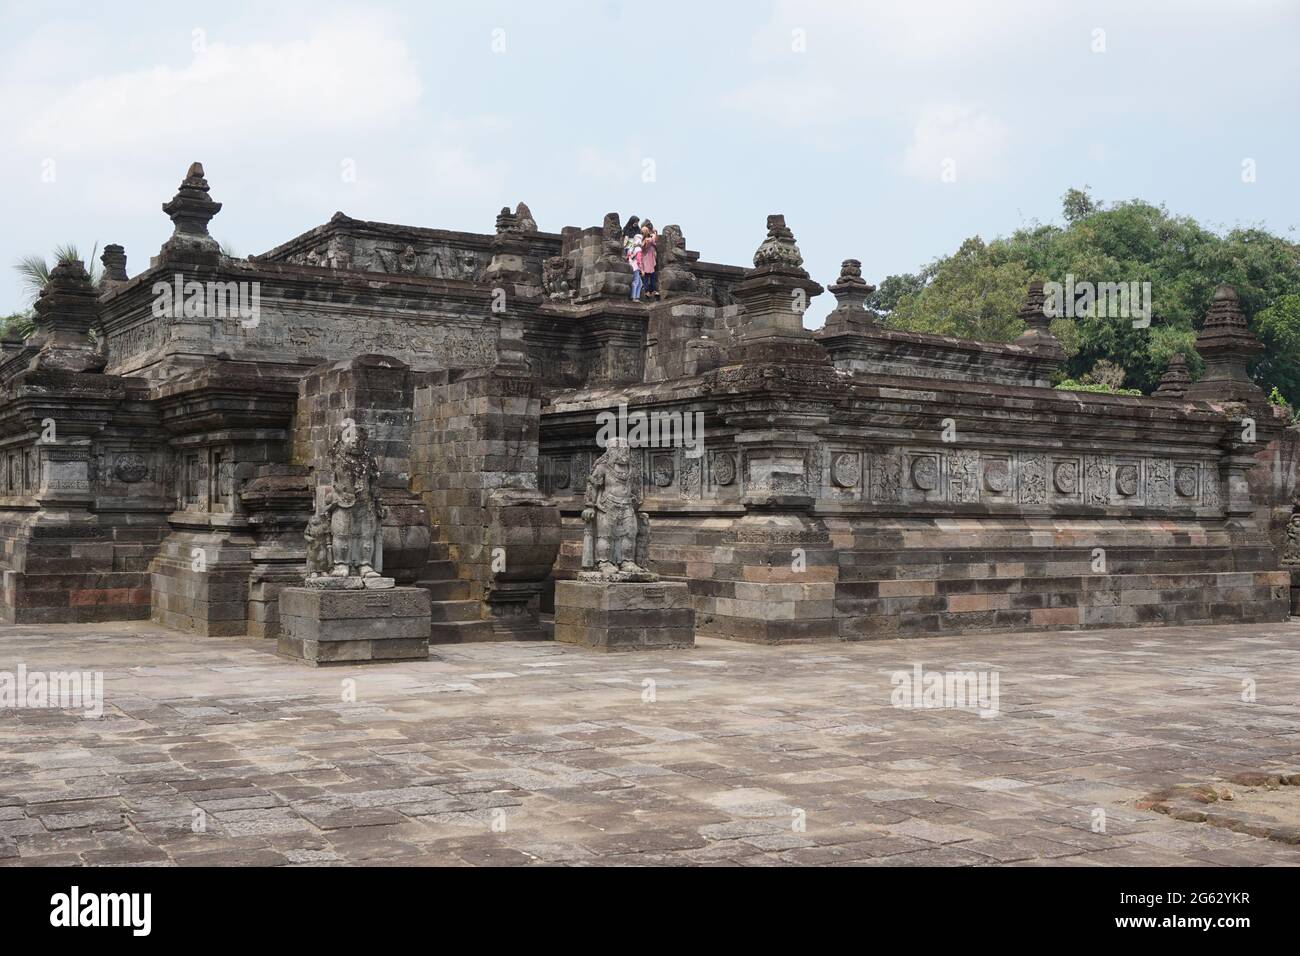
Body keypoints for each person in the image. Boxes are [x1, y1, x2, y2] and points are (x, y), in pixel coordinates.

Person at [640, 223, 658, 299]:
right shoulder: (648, 240)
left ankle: (649, 291)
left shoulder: (643, 240)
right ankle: (651, 290)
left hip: (647, 259)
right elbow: (653, 241)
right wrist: (655, 233)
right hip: (648, 259)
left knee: (648, 277)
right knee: (650, 276)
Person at [628, 232, 643, 301]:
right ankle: (634, 297)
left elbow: (628, 256)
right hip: (636, 267)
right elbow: (639, 260)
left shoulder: (631, 248)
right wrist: (642, 269)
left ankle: (637, 297)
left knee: (640, 283)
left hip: (631, 265)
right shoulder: (638, 249)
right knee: (636, 282)